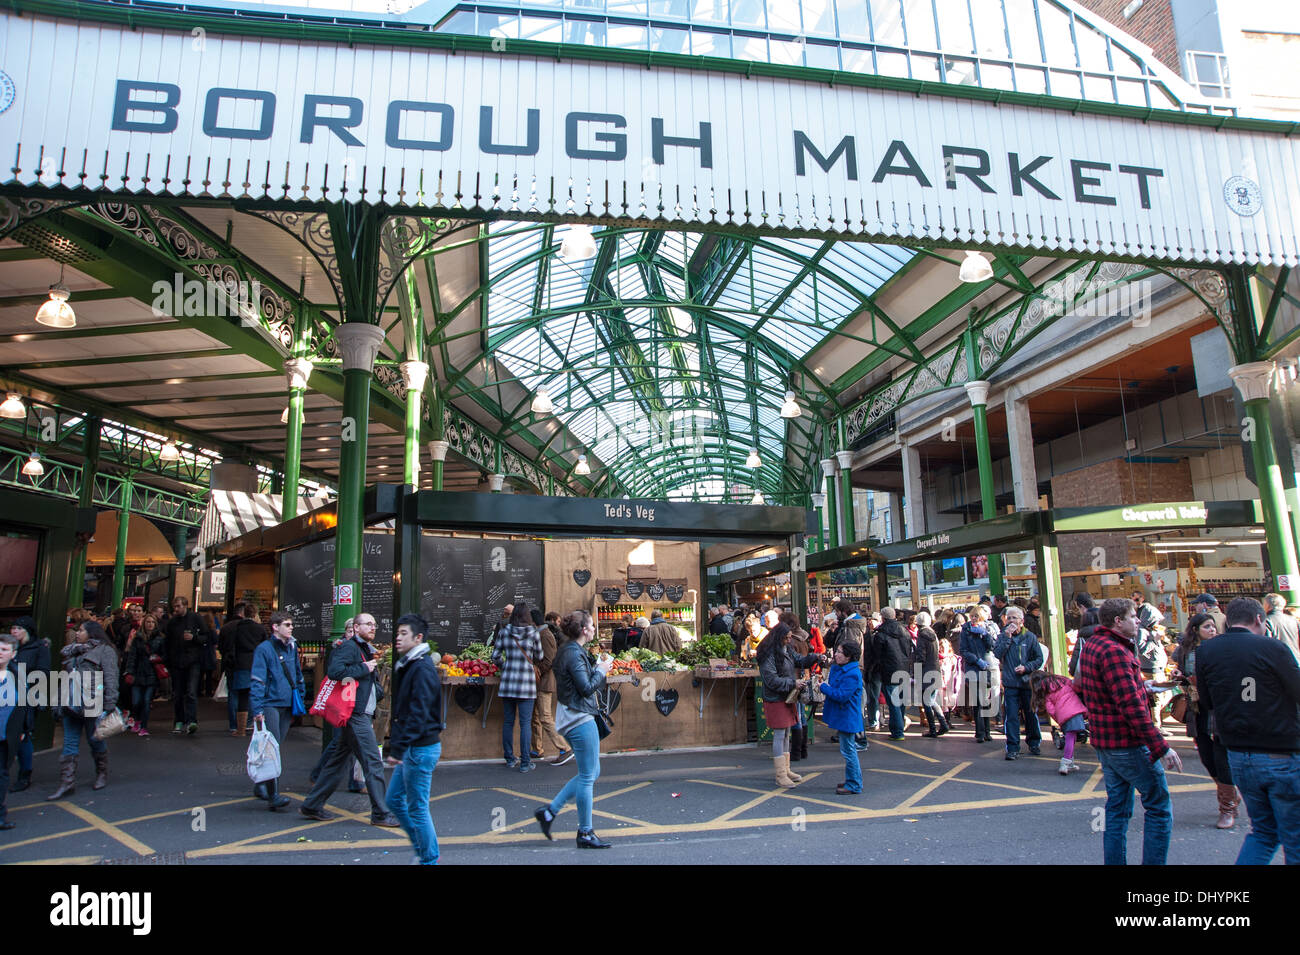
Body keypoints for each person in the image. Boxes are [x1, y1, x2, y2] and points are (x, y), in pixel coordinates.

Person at [1075, 597, 1183, 865]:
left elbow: (1100, 690)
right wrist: (1162, 747)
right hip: (1126, 743)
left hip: (1105, 741)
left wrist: (1144, 686)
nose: (1138, 621)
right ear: (1118, 621)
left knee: (1117, 809)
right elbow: (1132, 708)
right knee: (1158, 806)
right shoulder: (1115, 652)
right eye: (1133, 616)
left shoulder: (1093, 645)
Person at [1195, 597, 1300, 864]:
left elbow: (1206, 701)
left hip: (1239, 754)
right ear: (1258, 620)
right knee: (1295, 836)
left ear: (1228, 621)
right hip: (1281, 753)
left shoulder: (1207, 651)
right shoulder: (1272, 647)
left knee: (1263, 833)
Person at [299, 612, 399, 826]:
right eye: (368, 624)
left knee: (337, 762)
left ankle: (312, 805)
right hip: (355, 714)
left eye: (374, 624)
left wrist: (376, 688)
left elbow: (365, 678)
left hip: (357, 712)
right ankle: (381, 813)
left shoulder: (364, 649)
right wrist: (364, 668)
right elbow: (335, 671)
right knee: (373, 761)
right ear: (355, 627)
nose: (373, 627)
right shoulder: (349, 647)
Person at [534, 609, 615, 849]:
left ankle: (549, 812)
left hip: (572, 716)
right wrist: (602, 671)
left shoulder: (571, 651)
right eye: (591, 626)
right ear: (583, 630)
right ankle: (585, 832)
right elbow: (586, 687)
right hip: (579, 718)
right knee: (589, 775)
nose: (593, 629)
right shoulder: (572, 654)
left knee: (589, 773)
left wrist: (597, 665)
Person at [385, 613, 443, 865]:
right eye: (397, 633)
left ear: (418, 637)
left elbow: (418, 715)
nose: (398, 638)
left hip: (420, 749)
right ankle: (423, 850)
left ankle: (429, 858)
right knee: (393, 800)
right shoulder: (410, 664)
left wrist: (396, 749)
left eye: (403, 634)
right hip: (412, 748)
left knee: (417, 808)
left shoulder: (421, 668)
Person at [1170, 613, 1238, 829]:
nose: (1212, 630)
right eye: (1207, 626)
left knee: (1221, 757)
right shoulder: (1184, 651)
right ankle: (1230, 794)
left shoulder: (1222, 649)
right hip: (1196, 707)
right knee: (1207, 757)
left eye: (1214, 627)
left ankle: (1227, 807)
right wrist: (1179, 675)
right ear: (1196, 629)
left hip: (1218, 707)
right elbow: (1183, 672)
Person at [47, 620, 119, 800]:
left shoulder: (105, 651)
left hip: (92, 703)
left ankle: (101, 773)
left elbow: (111, 677)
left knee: (95, 740)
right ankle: (67, 783)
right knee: (69, 743)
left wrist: (109, 704)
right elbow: (66, 678)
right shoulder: (73, 650)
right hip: (71, 702)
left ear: (91, 633)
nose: (77, 633)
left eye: (81, 630)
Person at [756, 616, 822, 788]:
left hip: (787, 696)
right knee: (779, 734)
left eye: (790, 637)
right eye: (786, 637)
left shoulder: (786, 649)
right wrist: (793, 683)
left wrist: (815, 657)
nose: (789, 640)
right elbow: (771, 680)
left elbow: (799, 660)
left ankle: (786, 769)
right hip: (776, 697)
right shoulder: (769, 654)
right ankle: (780, 774)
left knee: (786, 733)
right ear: (779, 637)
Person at [249, 611, 303, 812]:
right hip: (270, 703)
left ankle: (260, 784)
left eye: (291, 624)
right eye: (287, 624)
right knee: (272, 748)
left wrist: (300, 691)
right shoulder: (264, 649)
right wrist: (257, 709)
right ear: (275, 627)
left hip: (286, 703)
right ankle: (273, 795)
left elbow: (297, 672)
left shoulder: (292, 646)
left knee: (275, 746)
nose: (291, 628)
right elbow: (257, 680)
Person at [492, 602, 543, 772]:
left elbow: (495, 656)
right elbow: (540, 656)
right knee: (525, 723)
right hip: (527, 684)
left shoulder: (505, 632)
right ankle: (525, 762)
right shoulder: (533, 633)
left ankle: (509, 758)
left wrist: (505, 666)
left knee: (508, 721)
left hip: (508, 682)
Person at [994, 606, 1044, 760]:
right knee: (1012, 717)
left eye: (1014, 618)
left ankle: (1034, 742)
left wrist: (1026, 667)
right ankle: (1013, 747)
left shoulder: (1029, 637)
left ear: (1021, 621)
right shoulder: (1003, 636)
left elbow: (1038, 659)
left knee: (1030, 714)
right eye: (1008, 618)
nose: (1011, 621)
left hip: (1026, 682)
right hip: (1010, 683)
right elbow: (997, 653)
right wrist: (1007, 638)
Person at [8, 616, 49, 792]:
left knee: (22, 735)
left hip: (26, 697)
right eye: (12, 628)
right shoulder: (9, 647)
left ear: (27, 630)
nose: (14, 631)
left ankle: (25, 773)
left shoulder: (40, 648)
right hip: (7, 695)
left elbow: (43, 673)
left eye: (18, 628)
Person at [820, 638, 864, 795]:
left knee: (848, 751)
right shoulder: (841, 669)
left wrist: (823, 687)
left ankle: (854, 784)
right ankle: (852, 780)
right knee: (848, 750)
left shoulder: (852, 674)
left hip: (848, 717)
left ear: (849, 657)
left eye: (840, 652)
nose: (836, 654)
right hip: (844, 716)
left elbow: (841, 695)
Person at [1028, 669, 1088, 775]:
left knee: (1071, 737)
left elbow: (1051, 710)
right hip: (1075, 710)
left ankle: (1070, 762)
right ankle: (1065, 762)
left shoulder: (1047, 694)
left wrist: (1059, 719)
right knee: (1071, 738)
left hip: (1064, 715)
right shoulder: (1062, 681)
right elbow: (1075, 686)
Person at [163, 596, 209, 735]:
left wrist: (194, 638)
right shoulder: (172, 623)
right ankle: (179, 720)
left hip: (193, 660)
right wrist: (167, 661)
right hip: (176, 661)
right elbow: (167, 642)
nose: (175, 609)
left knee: (190, 691)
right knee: (178, 693)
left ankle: (191, 721)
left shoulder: (196, 619)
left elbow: (207, 636)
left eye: (178, 606)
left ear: (185, 606)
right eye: (174, 606)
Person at [530, 610, 570, 764]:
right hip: (538, 682)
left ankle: (564, 747)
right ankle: (537, 749)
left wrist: (536, 670)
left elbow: (549, 660)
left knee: (545, 717)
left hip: (544, 682)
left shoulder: (545, 636)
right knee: (535, 718)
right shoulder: (541, 634)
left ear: (533, 622)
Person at [960, 605, 998, 744]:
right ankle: (980, 732)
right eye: (973, 616)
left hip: (986, 667)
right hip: (973, 667)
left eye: (977, 616)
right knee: (977, 701)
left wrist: (985, 634)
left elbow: (992, 646)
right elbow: (963, 650)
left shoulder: (987, 629)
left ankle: (987, 731)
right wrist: (977, 660)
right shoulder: (966, 630)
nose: (974, 619)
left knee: (986, 700)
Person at [875, 607, 913, 740]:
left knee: (894, 703)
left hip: (889, 670)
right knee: (901, 702)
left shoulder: (880, 634)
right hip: (904, 669)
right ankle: (899, 727)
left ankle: (897, 732)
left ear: (883, 617)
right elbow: (909, 650)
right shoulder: (904, 631)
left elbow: (878, 655)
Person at [123, 613, 163, 736]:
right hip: (138, 673)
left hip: (151, 673)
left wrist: (158, 658)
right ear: (144, 624)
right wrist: (129, 671)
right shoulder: (138, 639)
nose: (150, 624)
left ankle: (143, 726)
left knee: (146, 701)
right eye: (148, 622)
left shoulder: (160, 639)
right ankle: (137, 720)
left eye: (152, 622)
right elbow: (132, 656)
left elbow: (164, 655)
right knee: (136, 701)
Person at [914, 612, 949, 738]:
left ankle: (933, 728)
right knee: (932, 700)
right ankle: (943, 724)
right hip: (935, 669)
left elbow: (920, 656)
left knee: (927, 701)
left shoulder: (922, 635)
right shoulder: (933, 634)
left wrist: (916, 673)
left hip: (925, 671)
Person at [0, 635, 22, 829]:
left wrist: (24, 728)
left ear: (13, 654)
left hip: (6, 736)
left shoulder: (17, 676)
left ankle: (0, 815)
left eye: (5, 649)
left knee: (2, 775)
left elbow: (23, 706)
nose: (0, 653)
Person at [1264, 592, 1300, 664]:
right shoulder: (1294, 620)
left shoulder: (1267, 621)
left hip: (1279, 663)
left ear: (1267, 605)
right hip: (1296, 660)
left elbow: (1266, 645)